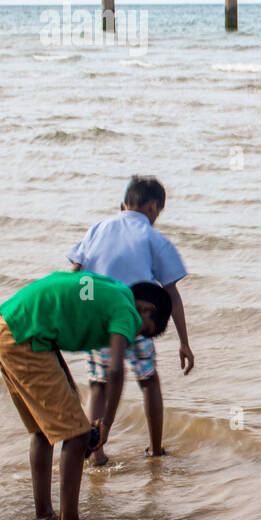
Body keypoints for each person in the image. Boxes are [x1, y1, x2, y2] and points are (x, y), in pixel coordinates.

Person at [0, 271, 171, 520]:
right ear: (146, 308)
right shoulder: (128, 310)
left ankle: (44, 515)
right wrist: (106, 425)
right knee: (77, 435)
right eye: (144, 330)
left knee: (43, 431)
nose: (134, 336)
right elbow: (116, 372)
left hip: (8, 325)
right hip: (24, 336)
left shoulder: (117, 289)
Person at [68, 175, 194, 463]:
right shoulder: (154, 239)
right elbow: (172, 294)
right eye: (158, 212)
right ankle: (155, 449)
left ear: (123, 205)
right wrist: (184, 343)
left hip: (98, 319)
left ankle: (96, 453)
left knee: (98, 384)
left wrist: (72, 315)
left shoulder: (98, 228)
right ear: (153, 207)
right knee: (148, 380)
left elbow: (75, 273)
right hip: (136, 320)